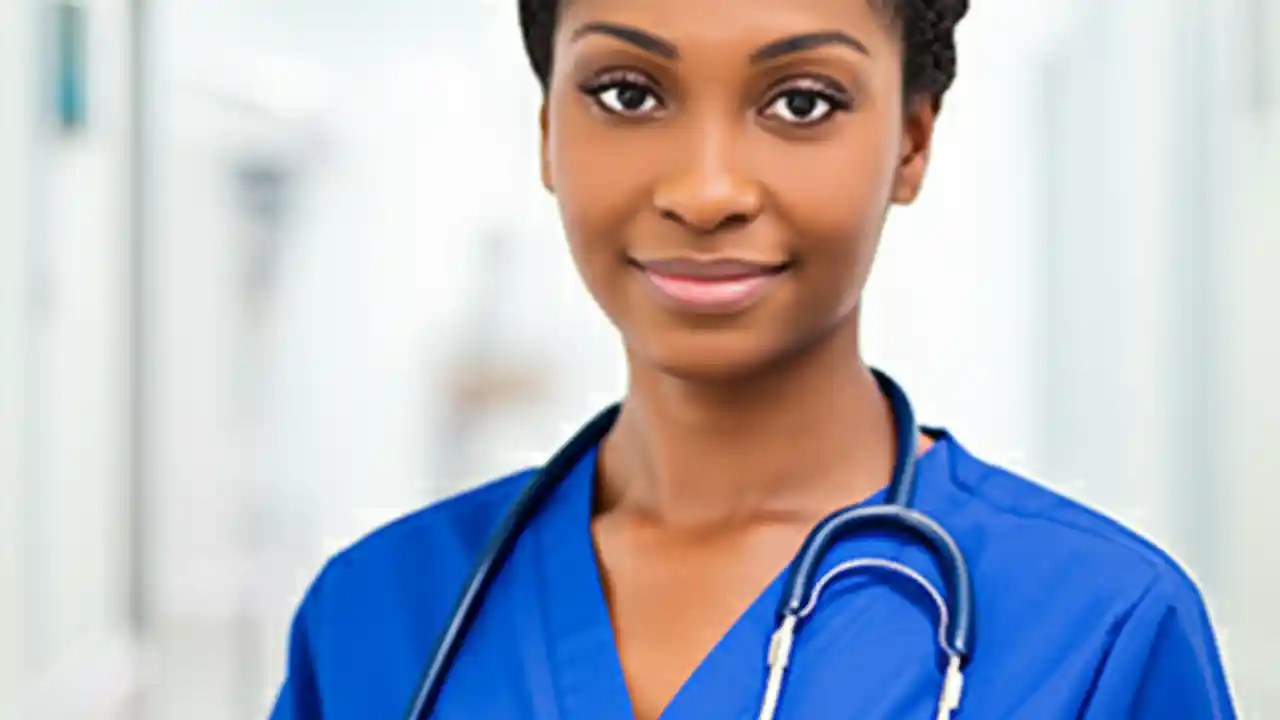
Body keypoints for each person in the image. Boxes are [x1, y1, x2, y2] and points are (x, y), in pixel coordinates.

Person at [270, 0, 1236, 717]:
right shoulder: (377, 615)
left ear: (911, 140)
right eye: (628, 92)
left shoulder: (1101, 628)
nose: (706, 191)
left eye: (802, 102)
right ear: (547, 134)